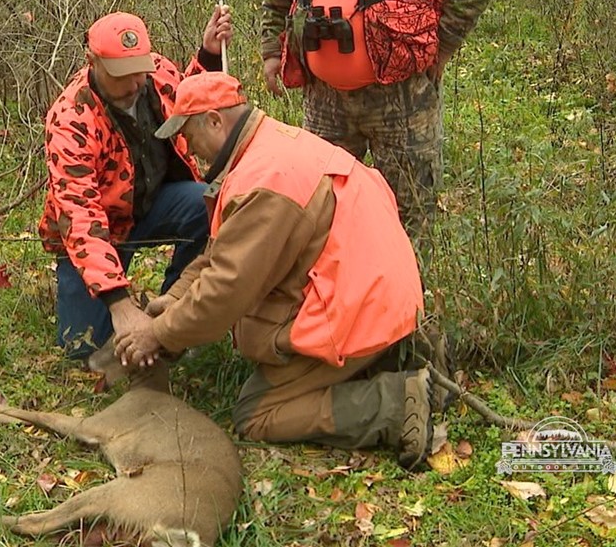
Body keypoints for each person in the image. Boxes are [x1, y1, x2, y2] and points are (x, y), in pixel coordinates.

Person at [113, 71, 443, 471]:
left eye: (189, 135)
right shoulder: (271, 147)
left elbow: (225, 292)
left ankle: (393, 402)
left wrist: (157, 334)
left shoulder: (263, 182)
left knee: (256, 413)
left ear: (215, 121)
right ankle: (396, 354)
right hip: (377, 294)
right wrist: (177, 297)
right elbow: (223, 253)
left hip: (358, 310)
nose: (190, 149)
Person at [260, 0, 499, 251]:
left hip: (401, 99)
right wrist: (272, 50)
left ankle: (410, 302)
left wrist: (443, 44)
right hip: (325, 101)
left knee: (410, 218)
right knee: (323, 214)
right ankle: (341, 300)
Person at [38, 7, 233, 361]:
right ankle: (115, 300)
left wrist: (208, 54)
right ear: (92, 62)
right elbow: (81, 218)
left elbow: (190, 101)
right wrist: (119, 302)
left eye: (139, 72)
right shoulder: (70, 120)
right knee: (82, 347)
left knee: (207, 203)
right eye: (121, 76)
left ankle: (172, 313)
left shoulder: (156, 75)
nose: (134, 84)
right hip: (102, 230)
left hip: (153, 204)